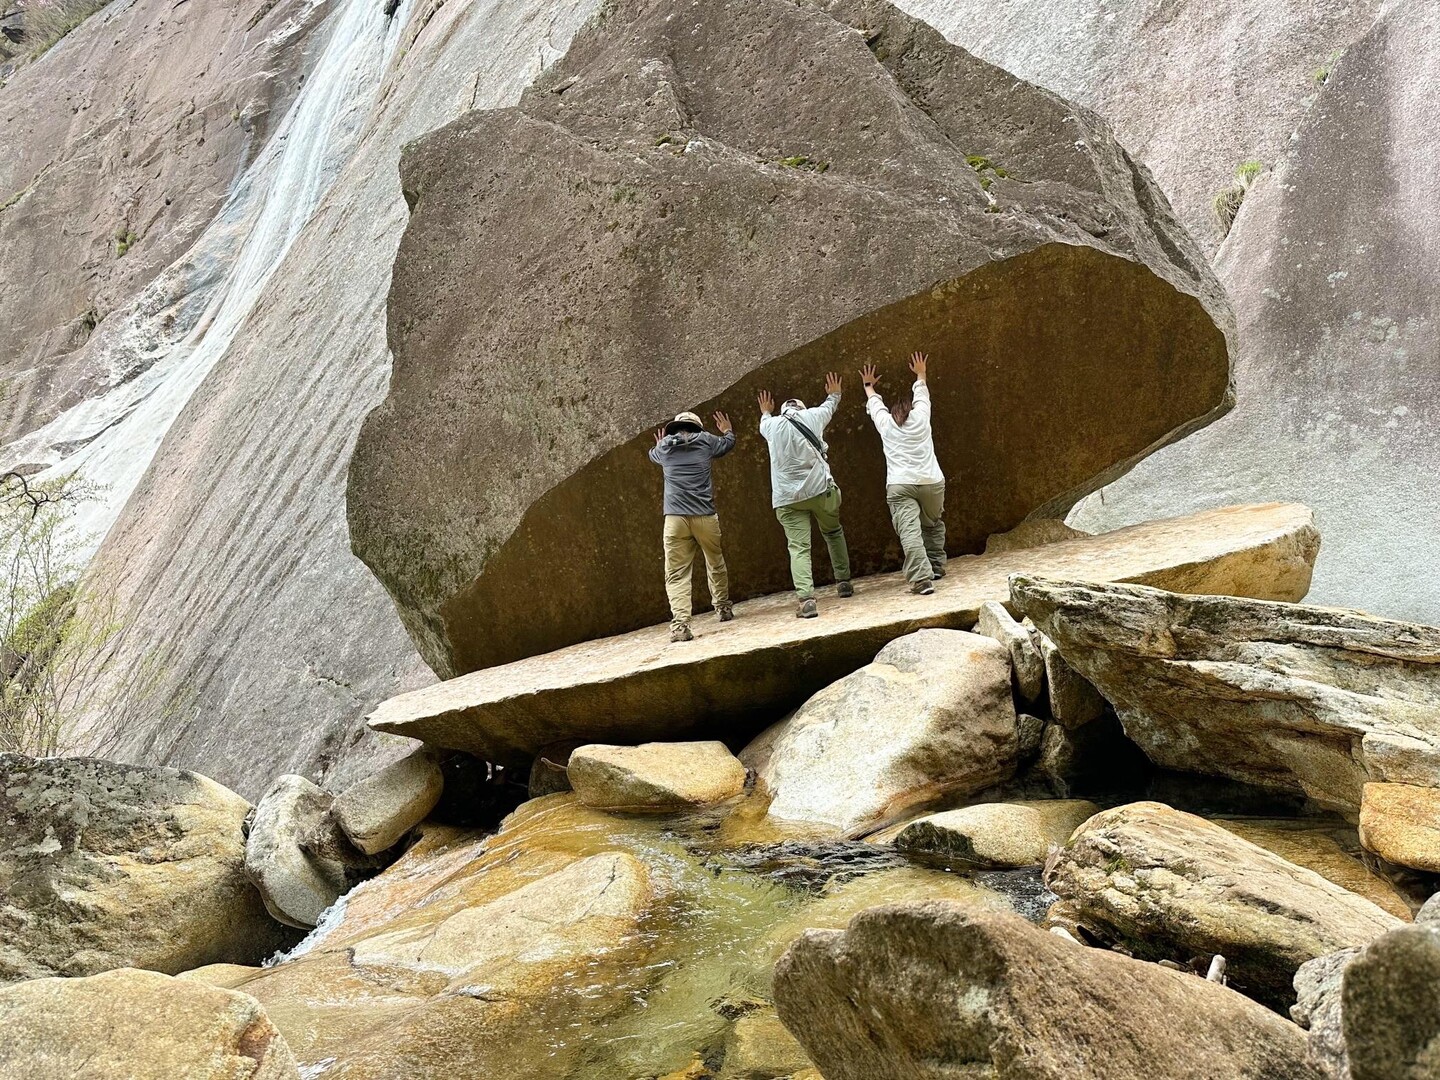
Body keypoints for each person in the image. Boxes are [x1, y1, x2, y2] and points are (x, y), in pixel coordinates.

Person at [757, 372, 854, 619]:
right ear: (802, 408)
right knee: (833, 532)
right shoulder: (812, 416)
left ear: (782, 411)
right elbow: (830, 405)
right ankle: (843, 582)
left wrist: (765, 410)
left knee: (799, 548)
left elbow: (764, 420)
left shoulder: (771, 425)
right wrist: (835, 392)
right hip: (820, 490)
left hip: (787, 499)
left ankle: (807, 600)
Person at [860, 351, 946, 594]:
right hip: (931, 481)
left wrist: (868, 385)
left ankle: (921, 580)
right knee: (931, 524)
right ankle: (937, 566)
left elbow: (875, 403)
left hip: (900, 484)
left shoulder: (886, 423)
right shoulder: (921, 417)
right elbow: (921, 391)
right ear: (910, 409)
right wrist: (920, 371)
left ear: (895, 412)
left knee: (910, 531)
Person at [649, 409, 735, 643]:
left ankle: (680, 625)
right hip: (705, 515)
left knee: (676, 574)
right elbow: (728, 444)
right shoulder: (707, 440)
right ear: (697, 427)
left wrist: (660, 444)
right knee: (715, 561)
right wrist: (727, 430)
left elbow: (652, 455)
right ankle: (723, 607)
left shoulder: (664, 447)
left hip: (675, 518)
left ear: (675, 428)